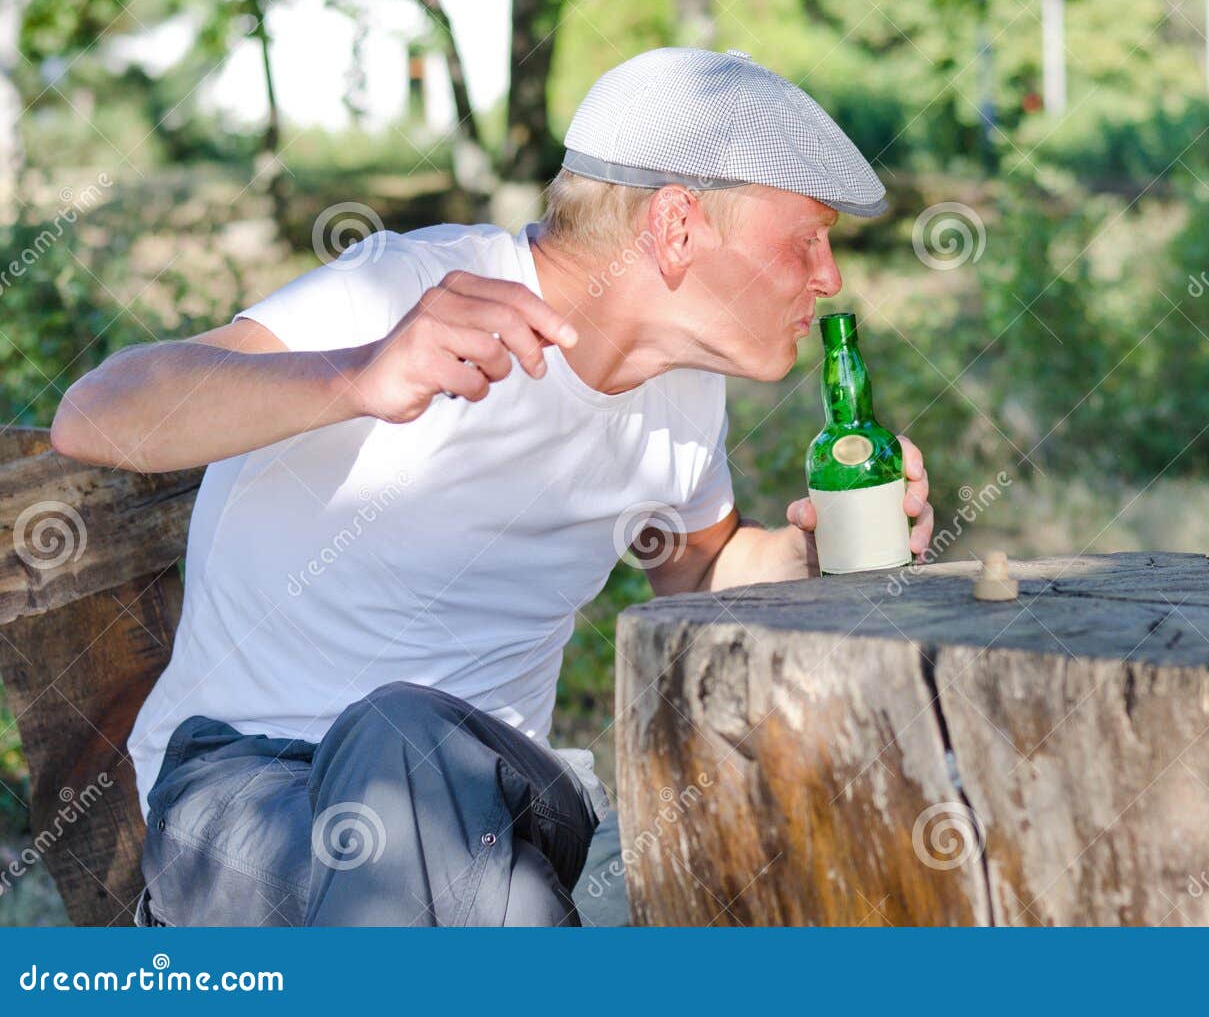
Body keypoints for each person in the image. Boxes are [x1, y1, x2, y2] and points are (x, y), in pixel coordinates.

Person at [50, 47, 935, 927]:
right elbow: (97, 413)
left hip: (498, 795)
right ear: (675, 226)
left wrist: (812, 551)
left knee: (423, 773)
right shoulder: (406, 291)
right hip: (253, 795)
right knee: (427, 786)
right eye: (805, 240)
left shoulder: (683, 393)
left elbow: (699, 573)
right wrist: (356, 375)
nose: (830, 278)